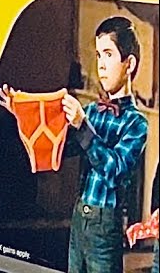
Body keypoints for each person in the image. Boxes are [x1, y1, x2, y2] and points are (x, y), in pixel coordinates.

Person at [60, 17, 148, 273]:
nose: (100, 64)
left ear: (129, 64)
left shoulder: (136, 123)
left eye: (108, 54)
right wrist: (29, 114)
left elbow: (114, 170)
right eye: (99, 55)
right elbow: (62, 152)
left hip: (106, 223)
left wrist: (82, 126)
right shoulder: (92, 112)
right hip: (79, 217)